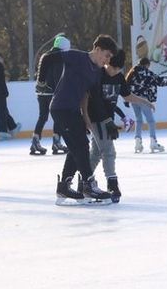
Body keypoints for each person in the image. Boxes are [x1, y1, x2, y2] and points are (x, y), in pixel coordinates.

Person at [51, 35, 120, 204]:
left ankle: (64, 186)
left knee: (79, 145)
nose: (107, 60)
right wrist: (42, 81)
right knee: (80, 145)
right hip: (61, 107)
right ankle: (88, 184)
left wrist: (102, 120)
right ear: (97, 50)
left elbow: (93, 98)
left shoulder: (96, 71)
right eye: (106, 55)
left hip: (73, 110)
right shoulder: (78, 57)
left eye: (110, 57)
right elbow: (48, 57)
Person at [86, 48, 137, 202]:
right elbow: (94, 100)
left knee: (95, 153)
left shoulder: (119, 77)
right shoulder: (98, 74)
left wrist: (145, 102)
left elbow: (124, 97)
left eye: (117, 69)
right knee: (109, 151)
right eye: (111, 67)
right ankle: (112, 185)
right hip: (96, 118)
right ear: (107, 63)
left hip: (107, 119)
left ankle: (84, 181)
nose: (113, 71)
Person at [125, 57, 167, 153]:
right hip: (143, 99)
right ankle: (153, 142)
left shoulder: (132, 72)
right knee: (151, 121)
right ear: (147, 65)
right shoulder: (148, 73)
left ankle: (138, 142)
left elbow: (126, 86)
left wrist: (126, 100)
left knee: (139, 120)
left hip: (133, 99)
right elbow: (161, 81)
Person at [31, 35, 71, 156]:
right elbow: (57, 75)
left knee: (42, 116)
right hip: (52, 91)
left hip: (40, 91)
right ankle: (56, 141)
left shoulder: (45, 55)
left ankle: (35, 141)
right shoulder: (58, 57)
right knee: (58, 115)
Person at [0, 50, 18, 139]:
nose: (2, 60)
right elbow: (1, 81)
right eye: (1, 58)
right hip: (0, 92)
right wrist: (6, 92)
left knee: (3, 110)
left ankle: (13, 127)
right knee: (2, 111)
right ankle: (2, 132)